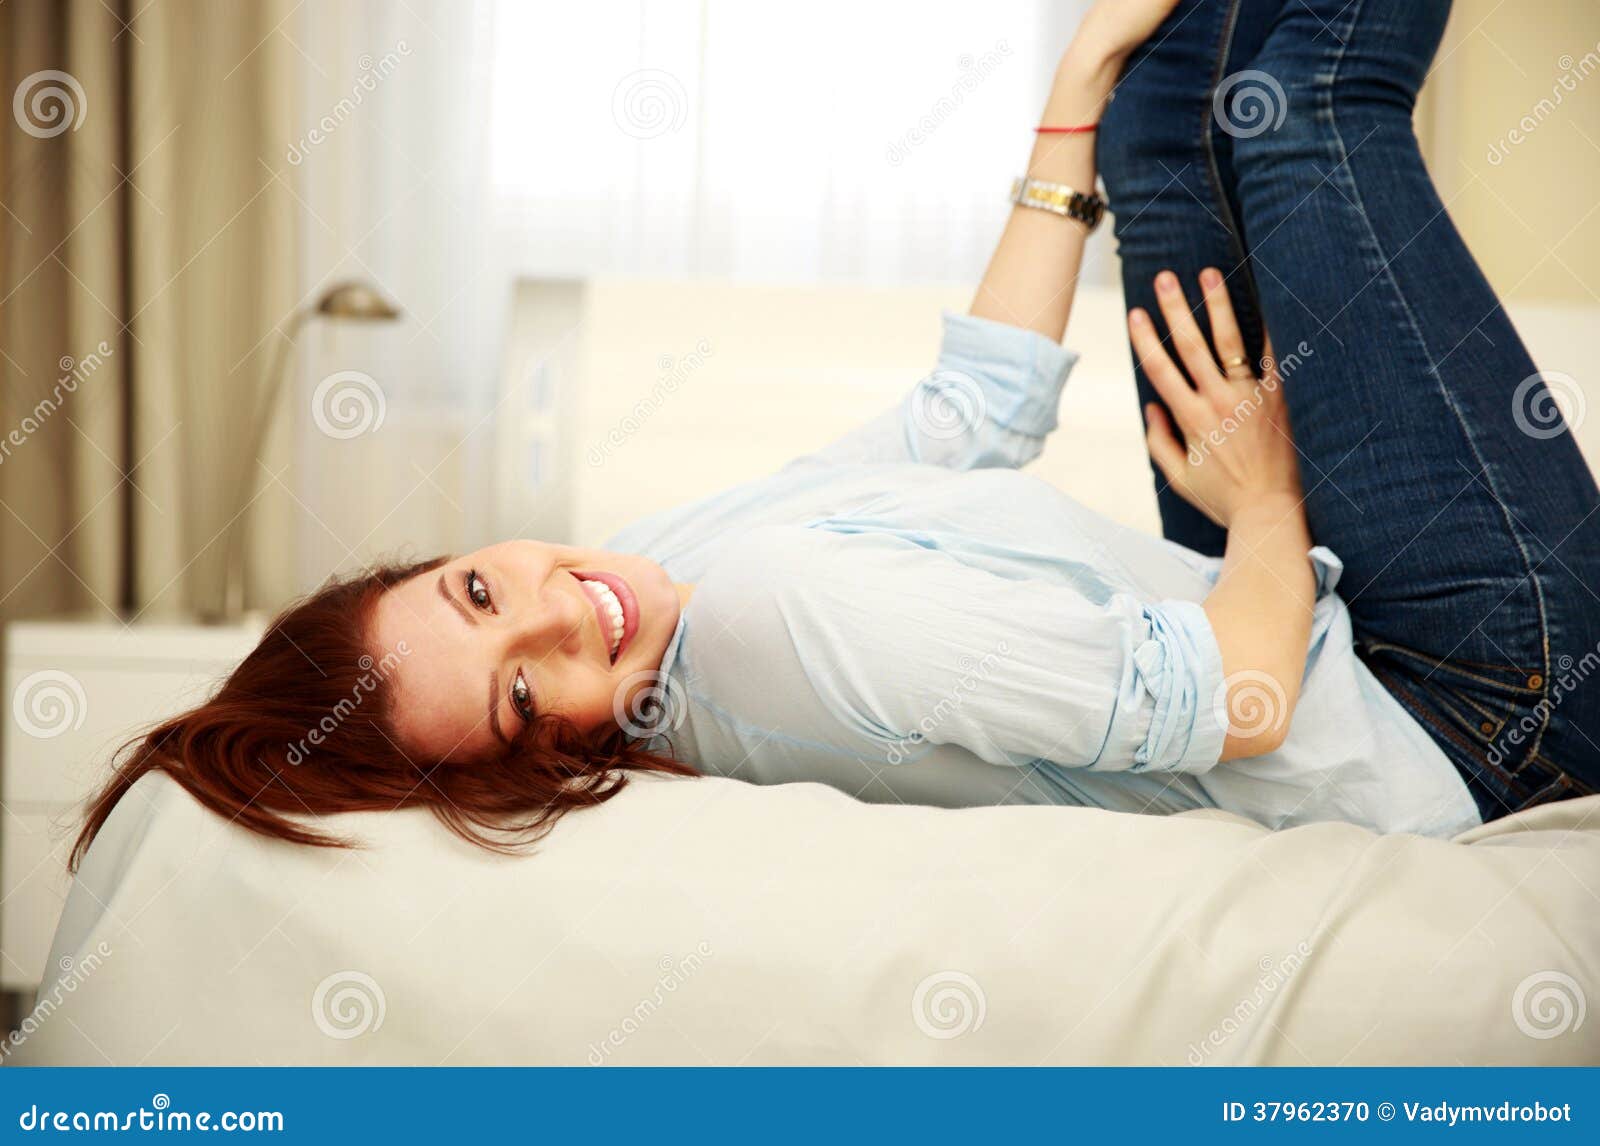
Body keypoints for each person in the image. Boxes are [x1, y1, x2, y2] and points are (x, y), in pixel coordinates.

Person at [73, 0, 1598, 871]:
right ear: (551, 766)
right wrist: (1264, 500)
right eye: (528, 690)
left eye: (481, 589)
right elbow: (1245, 699)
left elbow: (964, 420)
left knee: (1154, 116)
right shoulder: (783, 630)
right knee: (1304, 93)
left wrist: (1066, 104)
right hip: (1465, 715)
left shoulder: (662, 581)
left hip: (1300, 608)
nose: (557, 605)